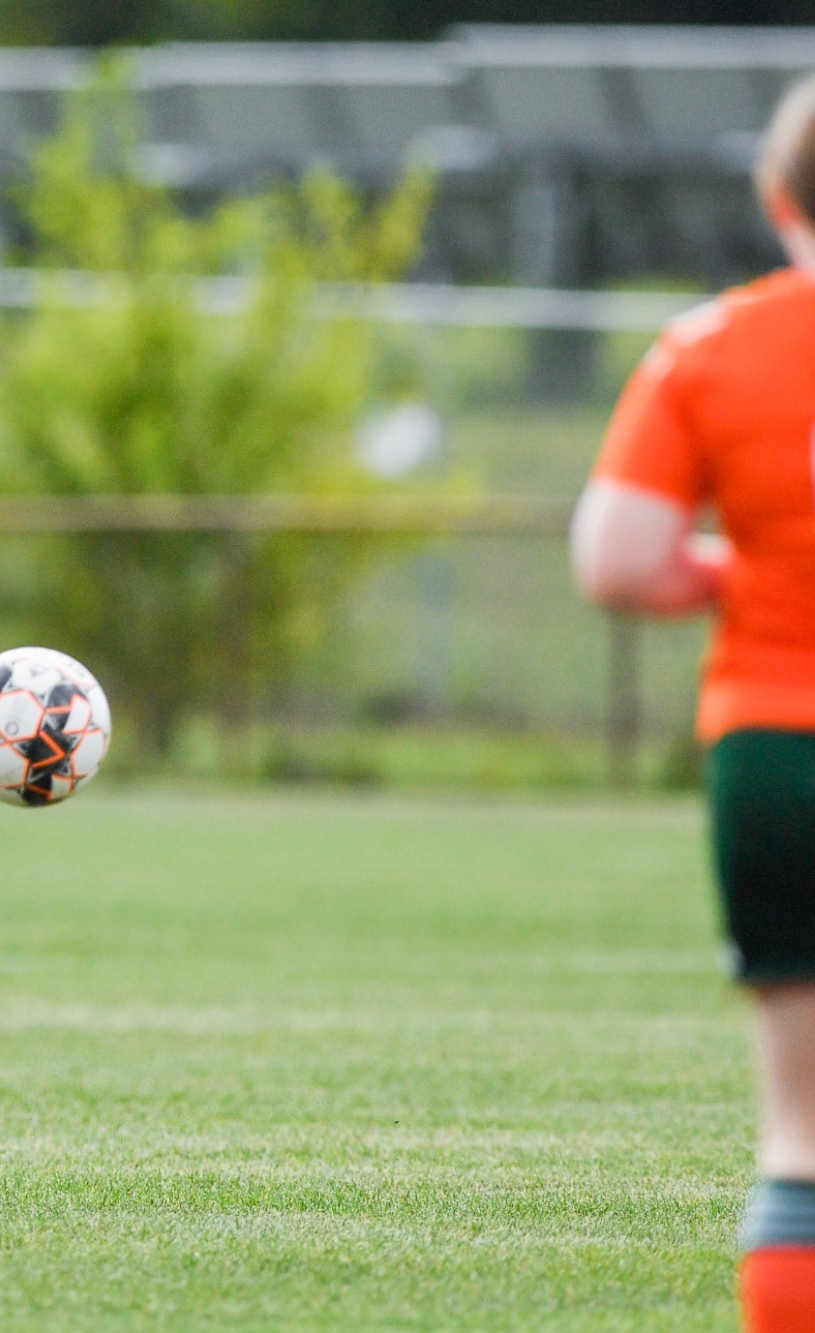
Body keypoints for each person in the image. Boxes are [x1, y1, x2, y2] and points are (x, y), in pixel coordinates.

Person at [573, 74, 815, 1333]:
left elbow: (616, 560)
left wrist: (735, 568)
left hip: (775, 743)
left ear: (778, 200)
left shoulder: (708, 349)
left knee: (801, 1129)